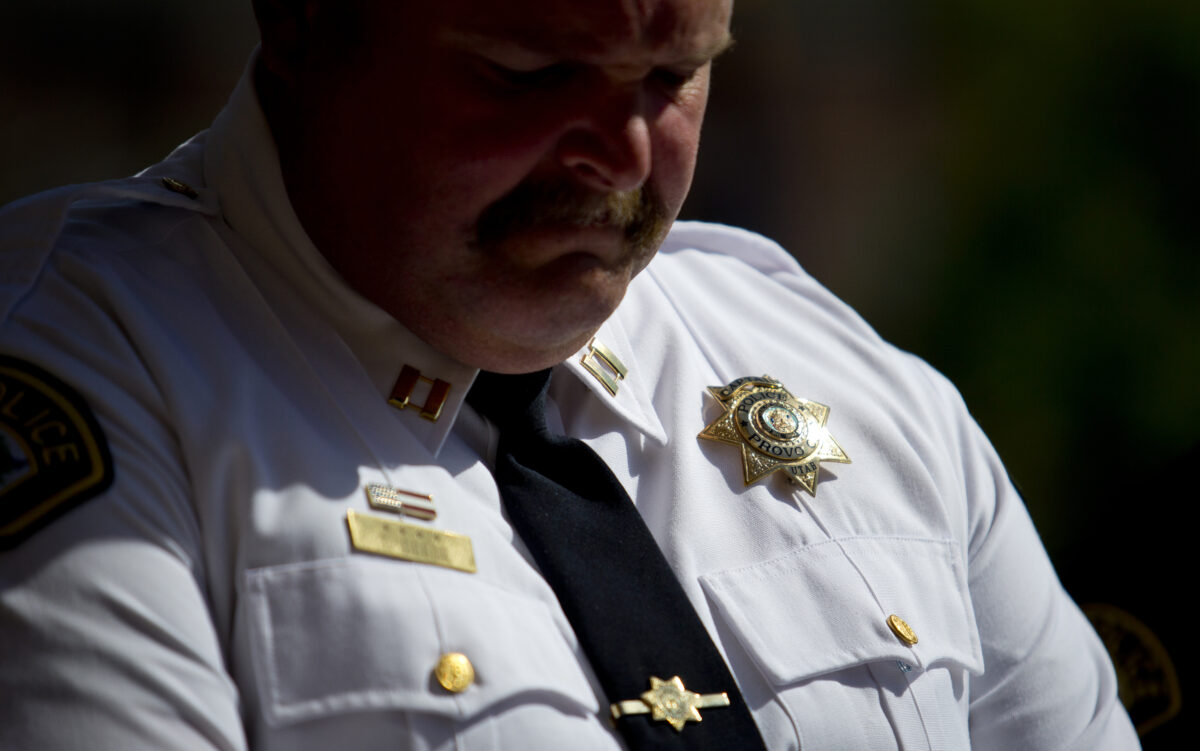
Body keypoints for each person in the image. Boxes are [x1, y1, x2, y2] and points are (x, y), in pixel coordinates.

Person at [0, 1, 1139, 749]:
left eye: (676, 73)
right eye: (532, 71)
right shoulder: (85, 360)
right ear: (304, 19)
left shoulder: (844, 374)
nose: (623, 155)